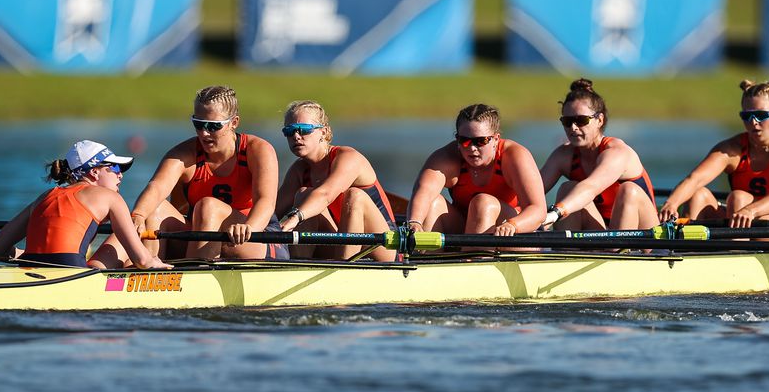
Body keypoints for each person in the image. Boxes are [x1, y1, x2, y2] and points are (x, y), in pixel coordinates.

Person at [93, 85, 280, 264]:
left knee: (209, 207)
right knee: (154, 209)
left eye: (213, 126)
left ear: (234, 123)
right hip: (201, 236)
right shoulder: (185, 153)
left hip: (256, 237)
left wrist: (249, 228)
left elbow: (266, 201)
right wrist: (138, 215)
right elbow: (157, 188)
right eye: (198, 124)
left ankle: (193, 275)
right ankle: (134, 271)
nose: (204, 133)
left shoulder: (258, 150)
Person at [0, 140, 169, 270]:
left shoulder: (44, 197)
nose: (120, 175)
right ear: (94, 172)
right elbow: (143, 261)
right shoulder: (111, 198)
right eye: (113, 168)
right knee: (126, 237)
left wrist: (29, 254)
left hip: (28, 267)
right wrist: (155, 261)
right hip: (71, 273)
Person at [659, 76, 769, 229]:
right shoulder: (733, 148)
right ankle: (687, 248)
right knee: (697, 195)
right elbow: (695, 179)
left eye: (762, 115)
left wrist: (751, 210)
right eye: (747, 116)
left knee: (739, 198)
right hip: (740, 217)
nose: (753, 122)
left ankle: (735, 249)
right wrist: (671, 203)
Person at [275, 100, 398, 261]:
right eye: (289, 131)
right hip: (340, 241)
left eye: (303, 130)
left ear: (324, 132)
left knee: (355, 196)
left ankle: (343, 271)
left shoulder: (348, 158)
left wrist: (295, 218)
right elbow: (272, 213)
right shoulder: (299, 170)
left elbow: (325, 194)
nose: (296, 136)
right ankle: (298, 266)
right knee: (304, 194)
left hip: (383, 246)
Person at [406, 103, 546, 236]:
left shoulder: (514, 156)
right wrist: (414, 223)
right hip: (464, 228)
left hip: (510, 230)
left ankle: (473, 257)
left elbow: (538, 211)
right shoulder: (448, 157)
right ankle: (430, 256)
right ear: (457, 139)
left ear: (496, 139)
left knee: (483, 203)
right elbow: (424, 192)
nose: (472, 148)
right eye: (464, 140)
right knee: (433, 203)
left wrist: (512, 225)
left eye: (481, 141)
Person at [539, 79, 658, 230]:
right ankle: (566, 252)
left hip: (645, 236)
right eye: (567, 121)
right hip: (602, 231)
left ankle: (619, 251)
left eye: (581, 120)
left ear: (599, 120)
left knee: (629, 191)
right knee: (568, 188)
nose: (573, 128)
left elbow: (590, 187)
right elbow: (530, 192)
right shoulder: (563, 155)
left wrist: (555, 213)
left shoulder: (616, 152)